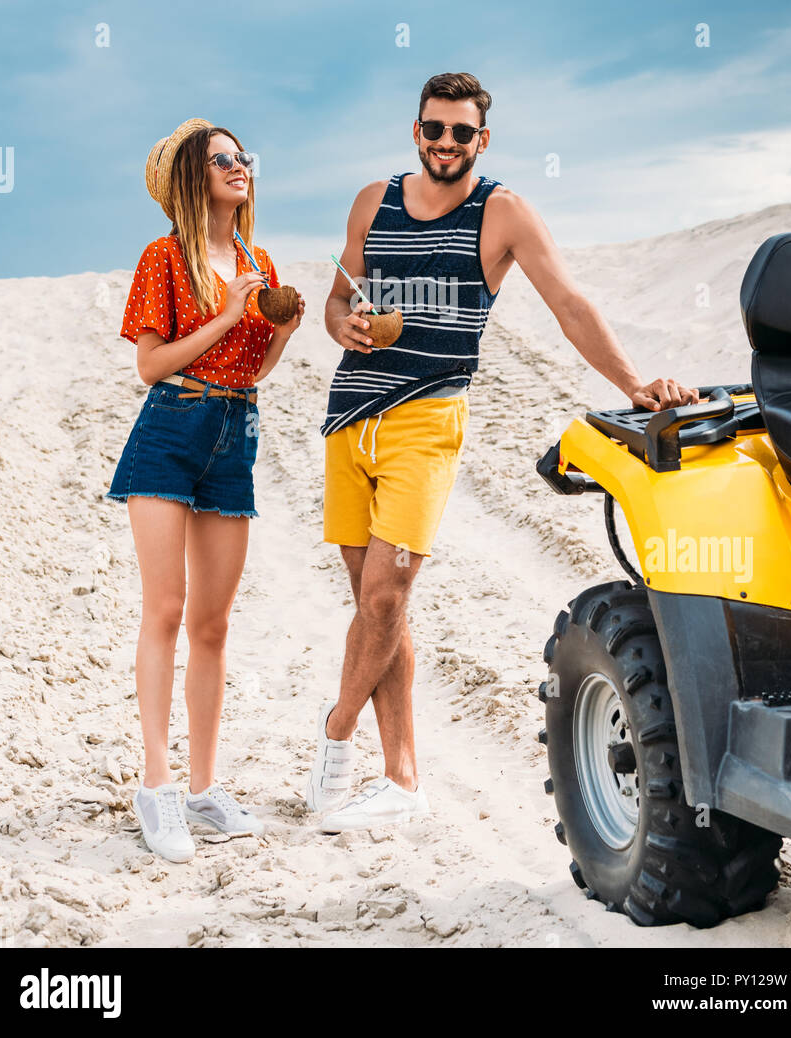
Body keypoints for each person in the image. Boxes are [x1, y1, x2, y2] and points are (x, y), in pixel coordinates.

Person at [308, 72, 698, 832]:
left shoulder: (503, 211)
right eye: (433, 129)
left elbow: (568, 302)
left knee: (385, 595)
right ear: (414, 131)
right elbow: (336, 295)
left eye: (460, 132)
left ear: (481, 140)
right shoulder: (370, 201)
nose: (444, 143)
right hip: (349, 415)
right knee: (376, 608)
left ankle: (336, 731)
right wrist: (339, 324)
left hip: (427, 419)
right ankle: (401, 779)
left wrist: (631, 381)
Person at [107, 117, 304, 862]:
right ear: (193, 177)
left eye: (242, 155)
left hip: (234, 433)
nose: (238, 165)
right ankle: (155, 786)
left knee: (213, 626)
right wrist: (228, 313)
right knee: (166, 607)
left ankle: (203, 786)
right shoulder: (163, 257)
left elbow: (249, 373)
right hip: (170, 427)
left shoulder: (258, 258)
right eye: (221, 158)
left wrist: (279, 329)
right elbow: (150, 367)